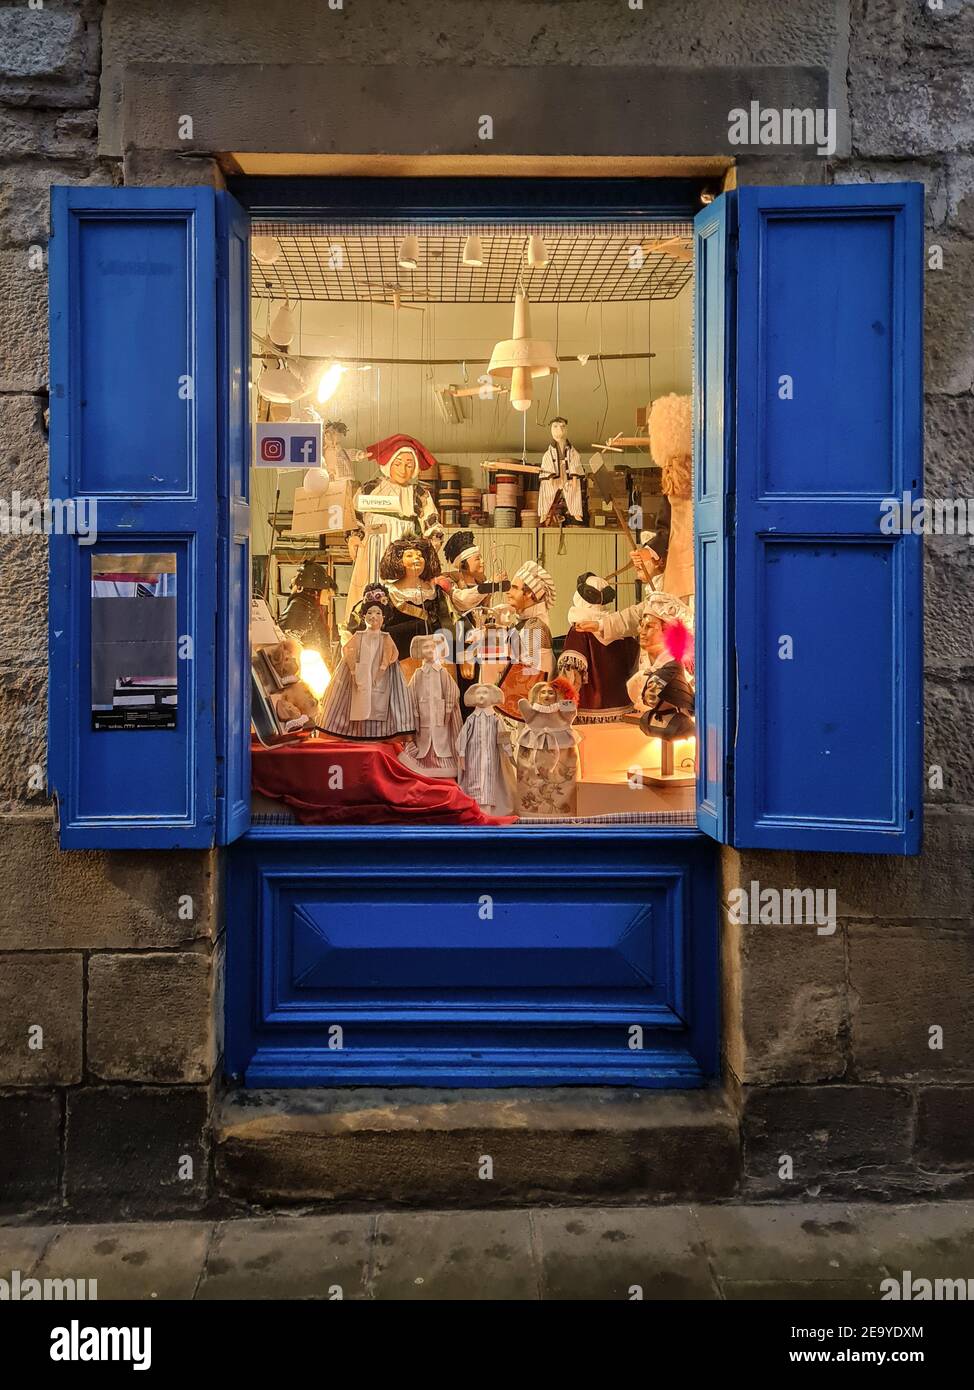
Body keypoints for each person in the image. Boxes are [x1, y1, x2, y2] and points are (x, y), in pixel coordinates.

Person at [344, 434, 439, 621]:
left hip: (403, 553)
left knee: (400, 602)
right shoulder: (369, 488)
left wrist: (431, 547)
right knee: (370, 594)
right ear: (388, 463)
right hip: (373, 549)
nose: (403, 470)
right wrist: (353, 537)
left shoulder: (418, 494)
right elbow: (354, 518)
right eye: (398, 463)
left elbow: (432, 524)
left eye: (409, 465)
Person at [378, 535, 452, 661]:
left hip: (433, 659)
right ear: (398, 560)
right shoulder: (387, 593)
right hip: (398, 659)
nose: (417, 558)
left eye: (420, 555)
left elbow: (449, 623)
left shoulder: (434, 592)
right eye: (409, 555)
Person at [278, 560, 335, 651]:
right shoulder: (299, 606)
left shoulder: (312, 607)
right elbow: (289, 644)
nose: (330, 595)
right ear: (316, 590)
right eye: (327, 590)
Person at [538, 416, 585, 526]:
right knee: (546, 490)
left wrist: (574, 476)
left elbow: (575, 459)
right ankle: (544, 512)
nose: (560, 429)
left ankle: (576, 511)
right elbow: (547, 460)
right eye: (556, 426)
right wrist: (549, 476)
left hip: (568, 472)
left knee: (574, 490)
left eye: (563, 426)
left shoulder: (571, 450)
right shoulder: (549, 452)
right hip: (553, 473)